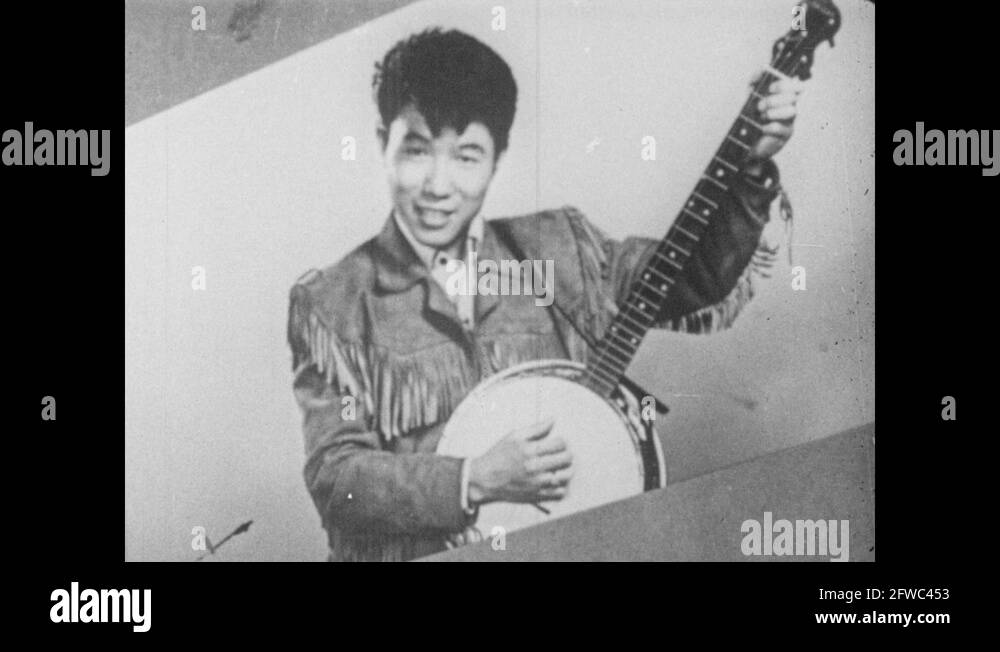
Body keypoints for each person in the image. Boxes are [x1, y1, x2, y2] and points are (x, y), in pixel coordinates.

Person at [287, 28, 802, 561]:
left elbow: (694, 279)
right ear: (381, 143)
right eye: (417, 151)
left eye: (466, 157)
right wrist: (473, 479)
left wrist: (751, 166)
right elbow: (337, 477)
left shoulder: (561, 248)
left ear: (497, 157)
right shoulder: (333, 304)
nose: (438, 185)